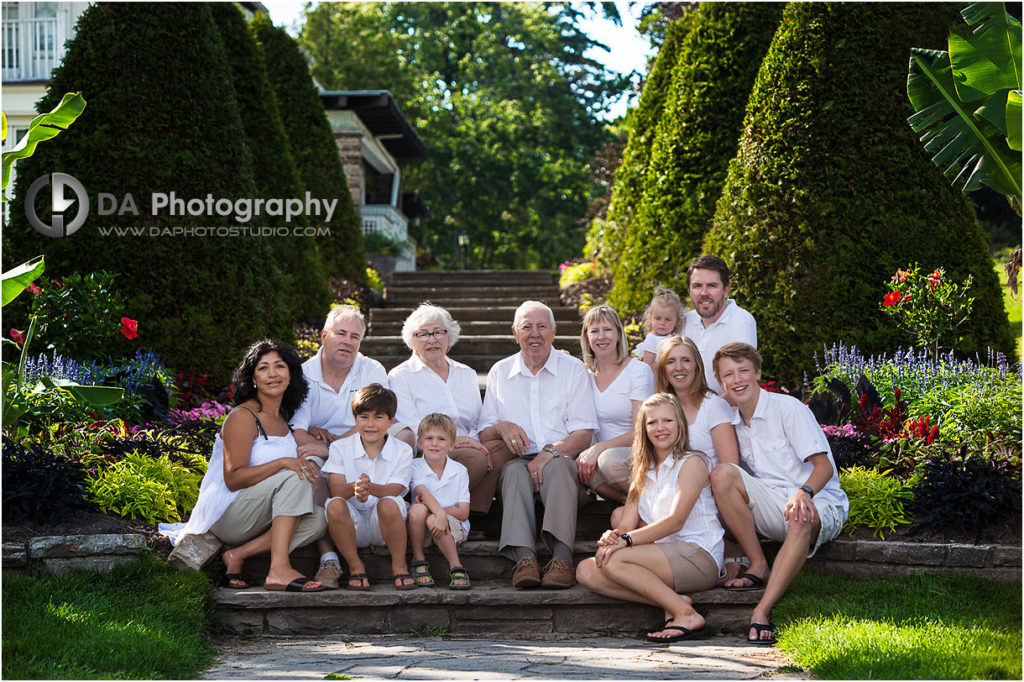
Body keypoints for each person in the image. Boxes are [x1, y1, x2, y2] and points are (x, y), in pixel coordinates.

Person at [710, 343, 849, 645]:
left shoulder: (788, 409)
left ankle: (762, 610)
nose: (737, 380)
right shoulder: (730, 421)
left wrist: (804, 492)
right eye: (728, 375)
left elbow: (824, 467)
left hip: (819, 500)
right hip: (774, 504)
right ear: (721, 382)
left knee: (799, 513)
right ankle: (758, 564)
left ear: (758, 372)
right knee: (722, 474)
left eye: (744, 371)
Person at [178, 339, 326, 592]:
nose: (272, 374)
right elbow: (233, 478)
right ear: (253, 378)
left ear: (290, 374)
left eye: (279, 366)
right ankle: (278, 569)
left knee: (319, 519)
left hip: (261, 515)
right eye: (263, 368)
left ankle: (237, 555)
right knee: (296, 474)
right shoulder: (243, 417)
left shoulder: (282, 419)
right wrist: (282, 463)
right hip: (229, 514)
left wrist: (315, 434)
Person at [576, 393, 723, 643]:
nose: (660, 428)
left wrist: (625, 542)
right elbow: (626, 523)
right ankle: (676, 602)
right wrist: (612, 537)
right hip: (663, 555)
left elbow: (676, 521)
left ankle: (686, 614)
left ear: (680, 424)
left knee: (614, 560)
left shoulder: (693, 463)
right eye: (652, 422)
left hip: (698, 554)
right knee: (586, 570)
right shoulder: (642, 468)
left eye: (668, 420)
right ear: (643, 429)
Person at [477, 300, 597, 589]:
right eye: (526, 327)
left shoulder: (573, 369)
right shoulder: (499, 372)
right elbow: (483, 434)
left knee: (556, 469)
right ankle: (525, 559)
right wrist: (501, 427)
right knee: (515, 473)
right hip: (518, 461)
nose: (534, 334)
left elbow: (584, 433)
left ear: (553, 331)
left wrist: (550, 452)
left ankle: (561, 559)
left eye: (542, 326)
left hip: (563, 459)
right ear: (515, 333)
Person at [289, 304, 393, 589]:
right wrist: (321, 446)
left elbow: (374, 424)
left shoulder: (371, 369)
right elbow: (298, 432)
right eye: (341, 333)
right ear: (324, 335)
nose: (348, 342)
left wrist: (329, 445)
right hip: (319, 451)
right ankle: (329, 558)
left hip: (364, 447)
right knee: (310, 470)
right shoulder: (303, 374)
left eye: (355, 337)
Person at [387, 303, 497, 516]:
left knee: (499, 449)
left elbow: (477, 421)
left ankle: (473, 513)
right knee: (478, 459)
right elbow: (411, 427)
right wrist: (458, 441)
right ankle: (444, 511)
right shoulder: (400, 376)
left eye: (438, 332)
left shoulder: (466, 373)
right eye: (423, 334)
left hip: (468, 446)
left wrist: (475, 442)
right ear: (412, 340)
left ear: (449, 336)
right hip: (430, 450)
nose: (432, 339)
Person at [321, 383, 416, 590]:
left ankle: (399, 565)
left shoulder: (402, 450)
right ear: (355, 420)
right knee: (334, 504)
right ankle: (356, 566)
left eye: (378, 417)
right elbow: (336, 490)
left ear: (391, 421)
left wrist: (369, 488)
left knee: (389, 503)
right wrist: (356, 488)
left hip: (385, 526)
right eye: (364, 417)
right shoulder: (339, 447)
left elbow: (395, 489)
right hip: (351, 526)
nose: (370, 424)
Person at [575, 305, 654, 503]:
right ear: (587, 338)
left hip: (634, 454)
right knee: (582, 468)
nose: (601, 336)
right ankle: (636, 505)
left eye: (607, 329)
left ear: (619, 334)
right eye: (594, 331)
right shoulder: (583, 376)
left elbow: (641, 430)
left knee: (607, 460)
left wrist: (599, 448)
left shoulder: (638, 370)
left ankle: (655, 503)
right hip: (603, 461)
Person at [407, 413, 472, 590]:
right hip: (421, 529)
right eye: (429, 438)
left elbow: (463, 512)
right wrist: (440, 512)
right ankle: (419, 560)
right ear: (420, 443)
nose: (434, 443)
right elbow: (422, 491)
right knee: (417, 510)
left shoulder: (460, 471)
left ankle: (455, 565)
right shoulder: (414, 466)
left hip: (453, 527)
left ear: (452, 445)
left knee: (430, 517)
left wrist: (438, 514)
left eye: (441, 439)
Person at [653, 336, 739, 469]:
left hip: (706, 485)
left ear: (696, 366)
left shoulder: (714, 406)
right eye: (671, 362)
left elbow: (731, 469)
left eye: (686, 360)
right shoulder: (658, 409)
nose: (679, 367)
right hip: (668, 484)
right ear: (663, 370)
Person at [683, 255, 757, 395]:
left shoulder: (741, 321)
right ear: (689, 291)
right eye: (697, 286)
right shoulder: (685, 321)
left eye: (712, 286)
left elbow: (740, 381)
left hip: (728, 413)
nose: (704, 293)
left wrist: (711, 412)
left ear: (726, 290)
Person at [633, 287, 685, 367]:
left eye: (668, 319)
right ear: (650, 318)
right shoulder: (652, 340)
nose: (662, 323)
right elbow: (648, 366)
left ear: (677, 321)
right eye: (658, 318)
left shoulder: (674, 338)